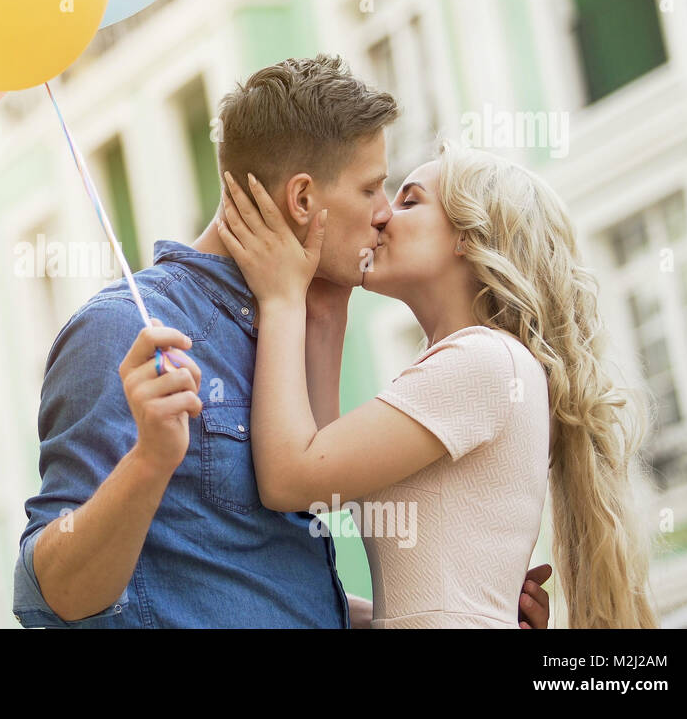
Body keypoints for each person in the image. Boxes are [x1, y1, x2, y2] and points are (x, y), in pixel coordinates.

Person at [12, 55, 552, 628]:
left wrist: (463, 607)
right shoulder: (129, 330)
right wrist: (148, 462)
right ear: (301, 200)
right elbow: (51, 596)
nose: (384, 213)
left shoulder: (292, 330)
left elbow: (279, 590)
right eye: (372, 188)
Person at [215, 139, 657, 627]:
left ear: (467, 235)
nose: (381, 215)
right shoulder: (474, 364)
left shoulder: (483, 361)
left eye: (409, 201)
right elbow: (313, 475)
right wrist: (326, 301)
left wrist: (280, 299)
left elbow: (288, 477)